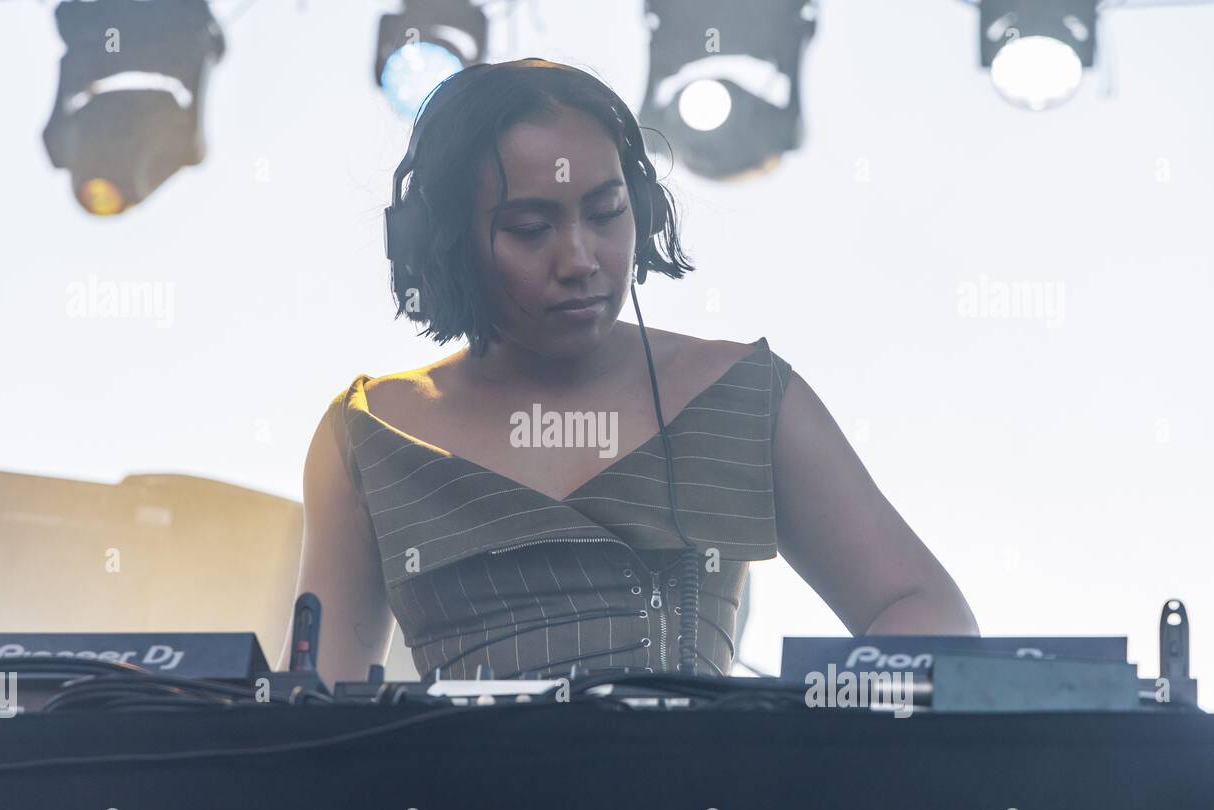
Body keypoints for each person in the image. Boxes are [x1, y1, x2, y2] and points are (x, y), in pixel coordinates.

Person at [288, 58, 978, 687]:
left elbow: (927, 609)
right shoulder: (366, 434)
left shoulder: (745, 392)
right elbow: (314, 712)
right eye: (530, 226)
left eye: (607, 212)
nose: (580, 257)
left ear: (644, 212)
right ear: (442, 244)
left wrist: (803, 743)